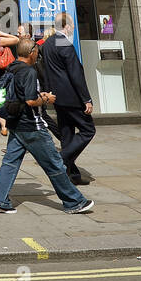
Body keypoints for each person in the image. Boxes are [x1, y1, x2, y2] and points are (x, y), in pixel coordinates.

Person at [0, 36, 94, 215]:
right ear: (31, 52)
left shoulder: (12, 68)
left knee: (10, 163)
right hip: (32, 127)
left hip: (16, 125)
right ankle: (74, 202)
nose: (38, 54)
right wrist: (46, 99)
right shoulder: (29, 72)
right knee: (55, 165)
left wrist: (39, 95)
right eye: (36, 51)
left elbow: (21, 94)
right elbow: (30, 101)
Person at [39, 14, 95, 183]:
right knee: (88, 130)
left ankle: (72, 175)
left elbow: (46, 71)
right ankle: (62, 158)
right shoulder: (64, 43)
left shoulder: (48, 43)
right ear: (67, 26)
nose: (74, 28)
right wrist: (86, 99)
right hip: (71, 97)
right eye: (72, 25)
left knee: (67, 135)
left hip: (57, 97)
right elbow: (75, 73)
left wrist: (48, 92)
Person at [0, 24, 26, 137]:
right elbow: (16, 40)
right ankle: (11, 121)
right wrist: (1, 34)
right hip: (2, 70)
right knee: (9, 95)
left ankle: (3, 127)